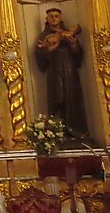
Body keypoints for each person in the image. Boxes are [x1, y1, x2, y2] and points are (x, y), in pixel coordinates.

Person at [34, 8, 89, 137]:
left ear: (61, 18)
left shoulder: (68, 34)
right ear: (47, 20)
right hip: (54, 73)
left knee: (72, 99)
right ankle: (58, 132)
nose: (54, 18)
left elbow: (78, 56)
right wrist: (49, 50)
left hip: (70, 72)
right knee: (58, 99)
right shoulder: (44, 37)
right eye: (51, 16)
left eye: (56, 16)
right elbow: (40, 57)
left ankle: (76, 130)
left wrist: (74, 45)